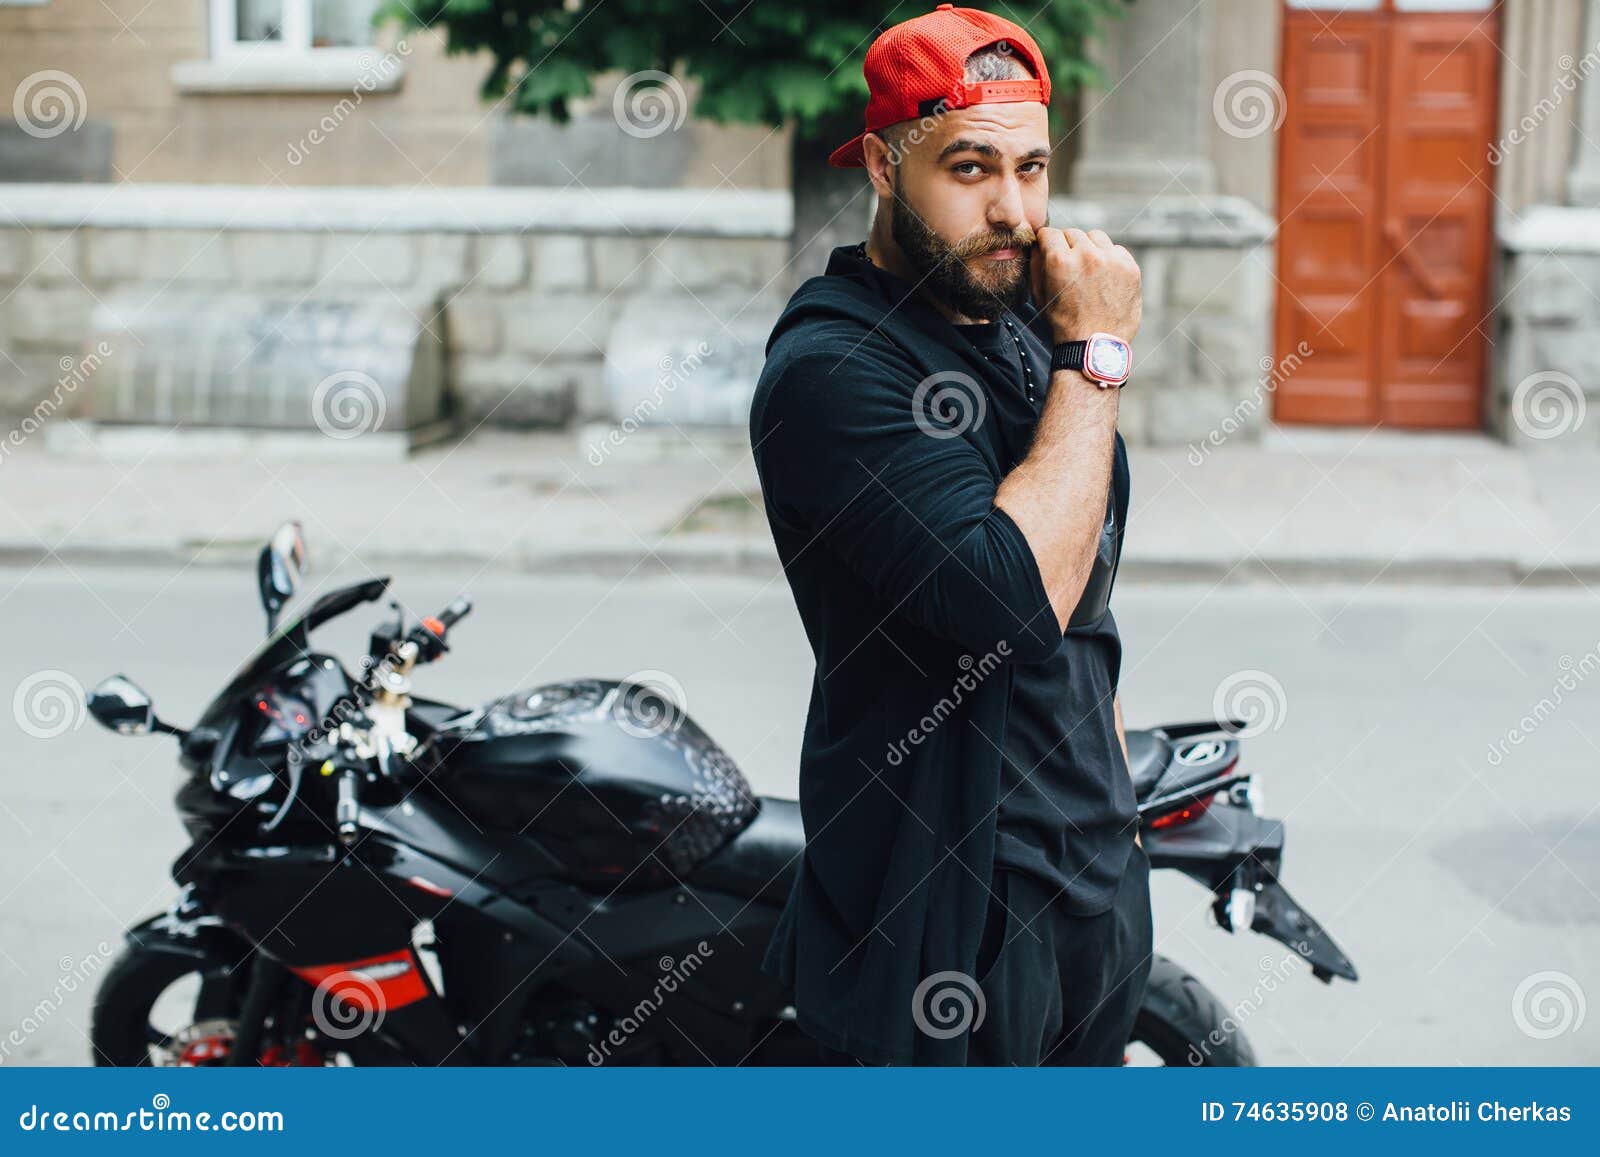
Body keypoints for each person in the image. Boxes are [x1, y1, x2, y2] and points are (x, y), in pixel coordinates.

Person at [748, 4, 1150, 1066]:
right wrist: (1096, 357)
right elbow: (1009, 600)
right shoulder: (837, 369)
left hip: (1094, 880)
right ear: (885, 165)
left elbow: (1084, 592)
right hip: (955, 913)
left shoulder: (1022, 329)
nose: (1011, 208)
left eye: (1031, 168)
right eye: (969, 168)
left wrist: (1115, 815)